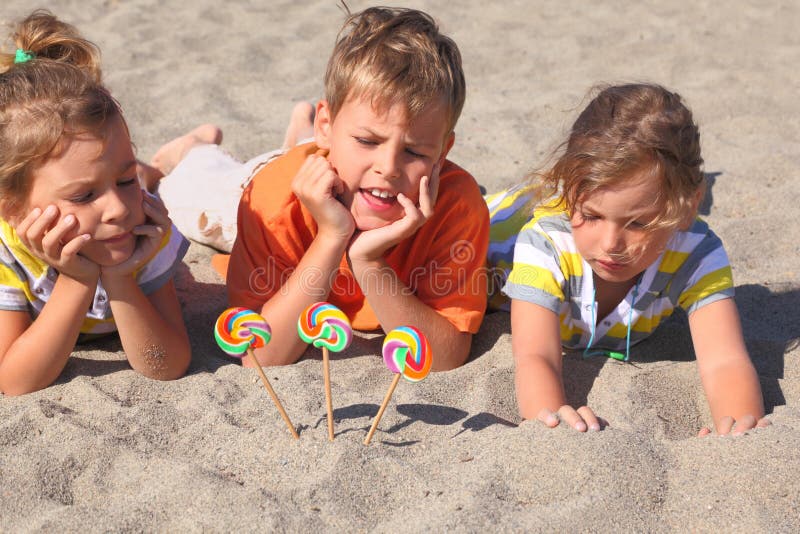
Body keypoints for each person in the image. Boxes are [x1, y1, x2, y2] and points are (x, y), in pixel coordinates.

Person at [146, 7, 489, 370]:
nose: (388, 168)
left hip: (331, 159)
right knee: (188, 195)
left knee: (328, 155)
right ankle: (196, 146)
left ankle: (306, 133)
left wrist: (369, 262)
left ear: (442, 153)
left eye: (415, 151)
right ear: (329, 125)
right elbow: (260, 355)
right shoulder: (272, 200)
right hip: (268, 179)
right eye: (367, 140)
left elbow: (446, 355)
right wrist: (329, 237)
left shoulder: (457, 206)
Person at [487, 83, 768, 436]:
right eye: (590, 216)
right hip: (486, 235)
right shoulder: (546, 242)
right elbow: (535, 357)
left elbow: (724, 360)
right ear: (570, 193)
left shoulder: (697, 253)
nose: (610, 244)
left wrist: (737, 422)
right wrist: (551, 421)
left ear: (689, 206)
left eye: (638, 223)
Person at [0, 11, 191, 396]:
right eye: (84, 195)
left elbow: (167, 364)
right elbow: (15, 380)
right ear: (13, 209)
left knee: (145, 180)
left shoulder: (146, 229)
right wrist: (77, 280)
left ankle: (155, 166)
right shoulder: (8, 254)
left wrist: (120, 277)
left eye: (124, 181)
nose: (119, 208)